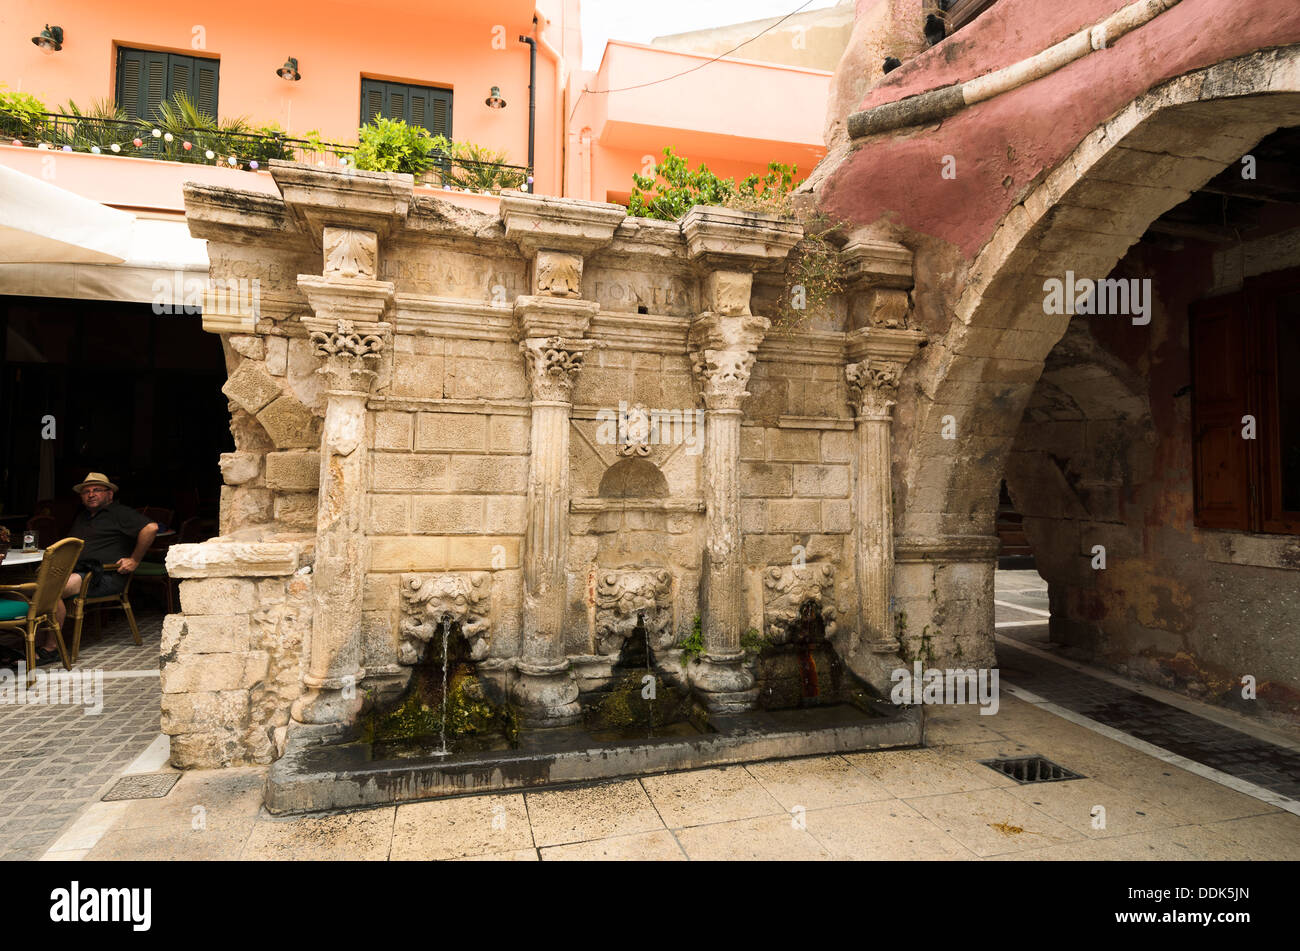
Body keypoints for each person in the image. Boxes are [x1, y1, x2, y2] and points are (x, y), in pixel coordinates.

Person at [29, 473, 157, 663]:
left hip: (105, 576)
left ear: (110, 494)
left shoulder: (119, 513)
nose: (91, 494)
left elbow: (151, 528)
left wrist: (134, 560)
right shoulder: (83, 517)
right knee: (36, 586)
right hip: (79, 572)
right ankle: (36, 644)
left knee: (50, 590)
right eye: (86, 491)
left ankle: (51, 648)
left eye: (97, 490)